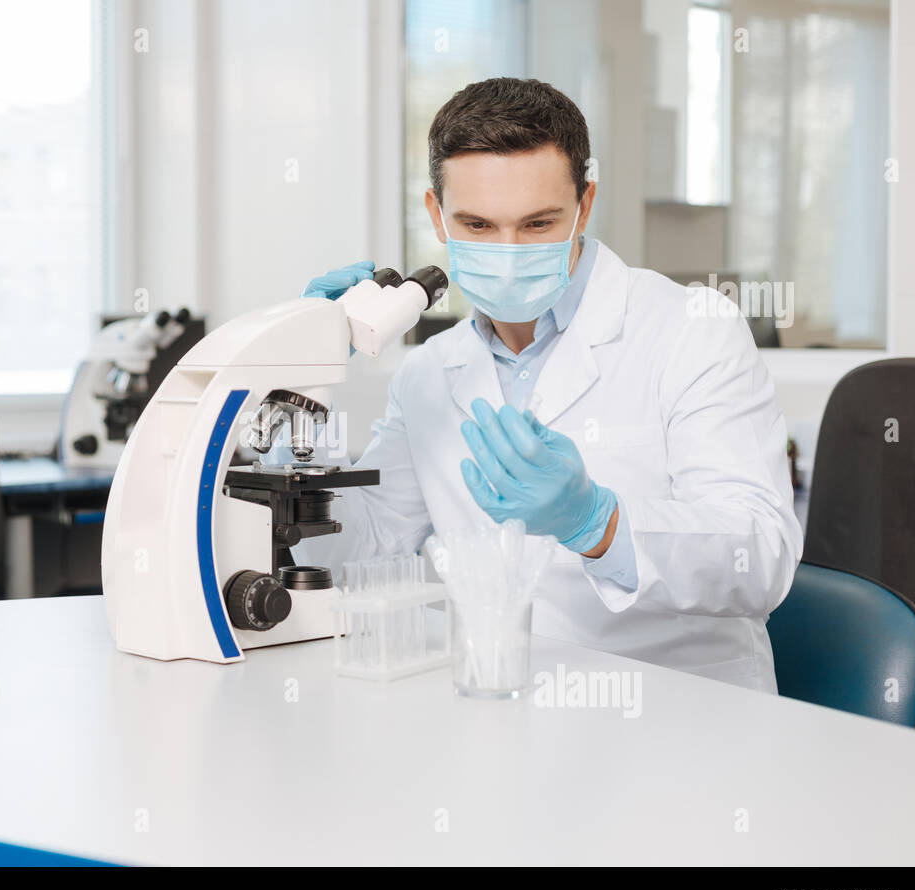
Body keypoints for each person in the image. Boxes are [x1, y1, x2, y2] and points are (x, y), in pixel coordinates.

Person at [288, 77, 802, 692]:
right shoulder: (428, 372)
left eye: (536, 224)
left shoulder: (691, 330)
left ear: (584, 204)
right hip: (497, 707)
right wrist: (296, 396)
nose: (506, 250)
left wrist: (596, 523)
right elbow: (360, 557)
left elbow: (761, 558)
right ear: (436, 214)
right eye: (476, 225)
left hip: (679, 718)